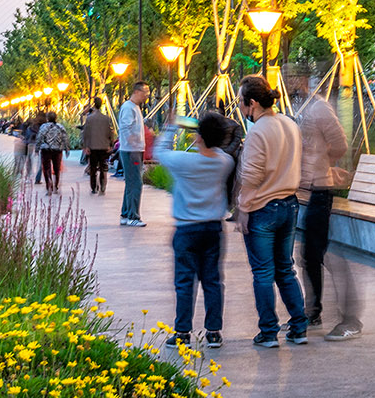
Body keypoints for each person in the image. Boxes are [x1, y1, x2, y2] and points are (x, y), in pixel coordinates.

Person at [236, 75, 308, 347]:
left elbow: (251, 175)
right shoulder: (290, 124)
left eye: (241, 103)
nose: (241, 108)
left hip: (263, 208)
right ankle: (298, 327)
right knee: (285, 269)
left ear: (252, 103)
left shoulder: (258, 131)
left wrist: (243, 208)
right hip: (290, 204)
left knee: (263, 273)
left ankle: (268, 332)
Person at [153, 106, 234, 349]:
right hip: (213, 229)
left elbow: (159, 151)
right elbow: (218, 149)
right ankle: (213, 332)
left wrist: (173, 126)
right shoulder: (225, 162)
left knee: (184, 281)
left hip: (186, 229)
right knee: (212, 280)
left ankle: (182, 332)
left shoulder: (183, 161)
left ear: (198, 135)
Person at [289, 72, 360, 340]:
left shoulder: (319, 109)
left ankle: (351, 319)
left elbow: (340, 144)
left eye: (292, 77)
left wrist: (322, 163)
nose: (287, 83)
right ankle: (313, 312)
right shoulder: (301, 108)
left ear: (304, 81)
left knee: (330, 256)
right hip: (308, 190)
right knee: (310, 255)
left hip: (321, 189)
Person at [116, 81, 150, 227]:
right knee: (136, 182)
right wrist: (132, 139)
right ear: (137, 92)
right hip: (131, 151)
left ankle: (125, 214)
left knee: (131, 182)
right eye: (145, 92)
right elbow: (125, 127)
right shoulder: (128, 107)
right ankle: (133, 216)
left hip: (135, 149)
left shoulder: (134, 107)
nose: (147, 96)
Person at [81, 96, 115, 195]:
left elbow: (86, 133)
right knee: (103, 167)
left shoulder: (90, 118)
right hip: (104, 146)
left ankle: (94, 187)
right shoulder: (106, 118)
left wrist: (86, 146)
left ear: (94, 104)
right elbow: (110, 132)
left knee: (93, 168)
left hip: (93, 147)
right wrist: (110, 144)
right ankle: (103, 185)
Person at [37, 111, 67, 193]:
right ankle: (56, 186)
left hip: (46, 150)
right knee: (57, 169)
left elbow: (39, 137)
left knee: (46, 168)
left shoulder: (44, 127)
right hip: (57, 150)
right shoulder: (60, 127)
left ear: (47, 118)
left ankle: (49, 184)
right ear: (56, 118)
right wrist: (67, 149)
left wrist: (37, 148)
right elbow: (65, 138)